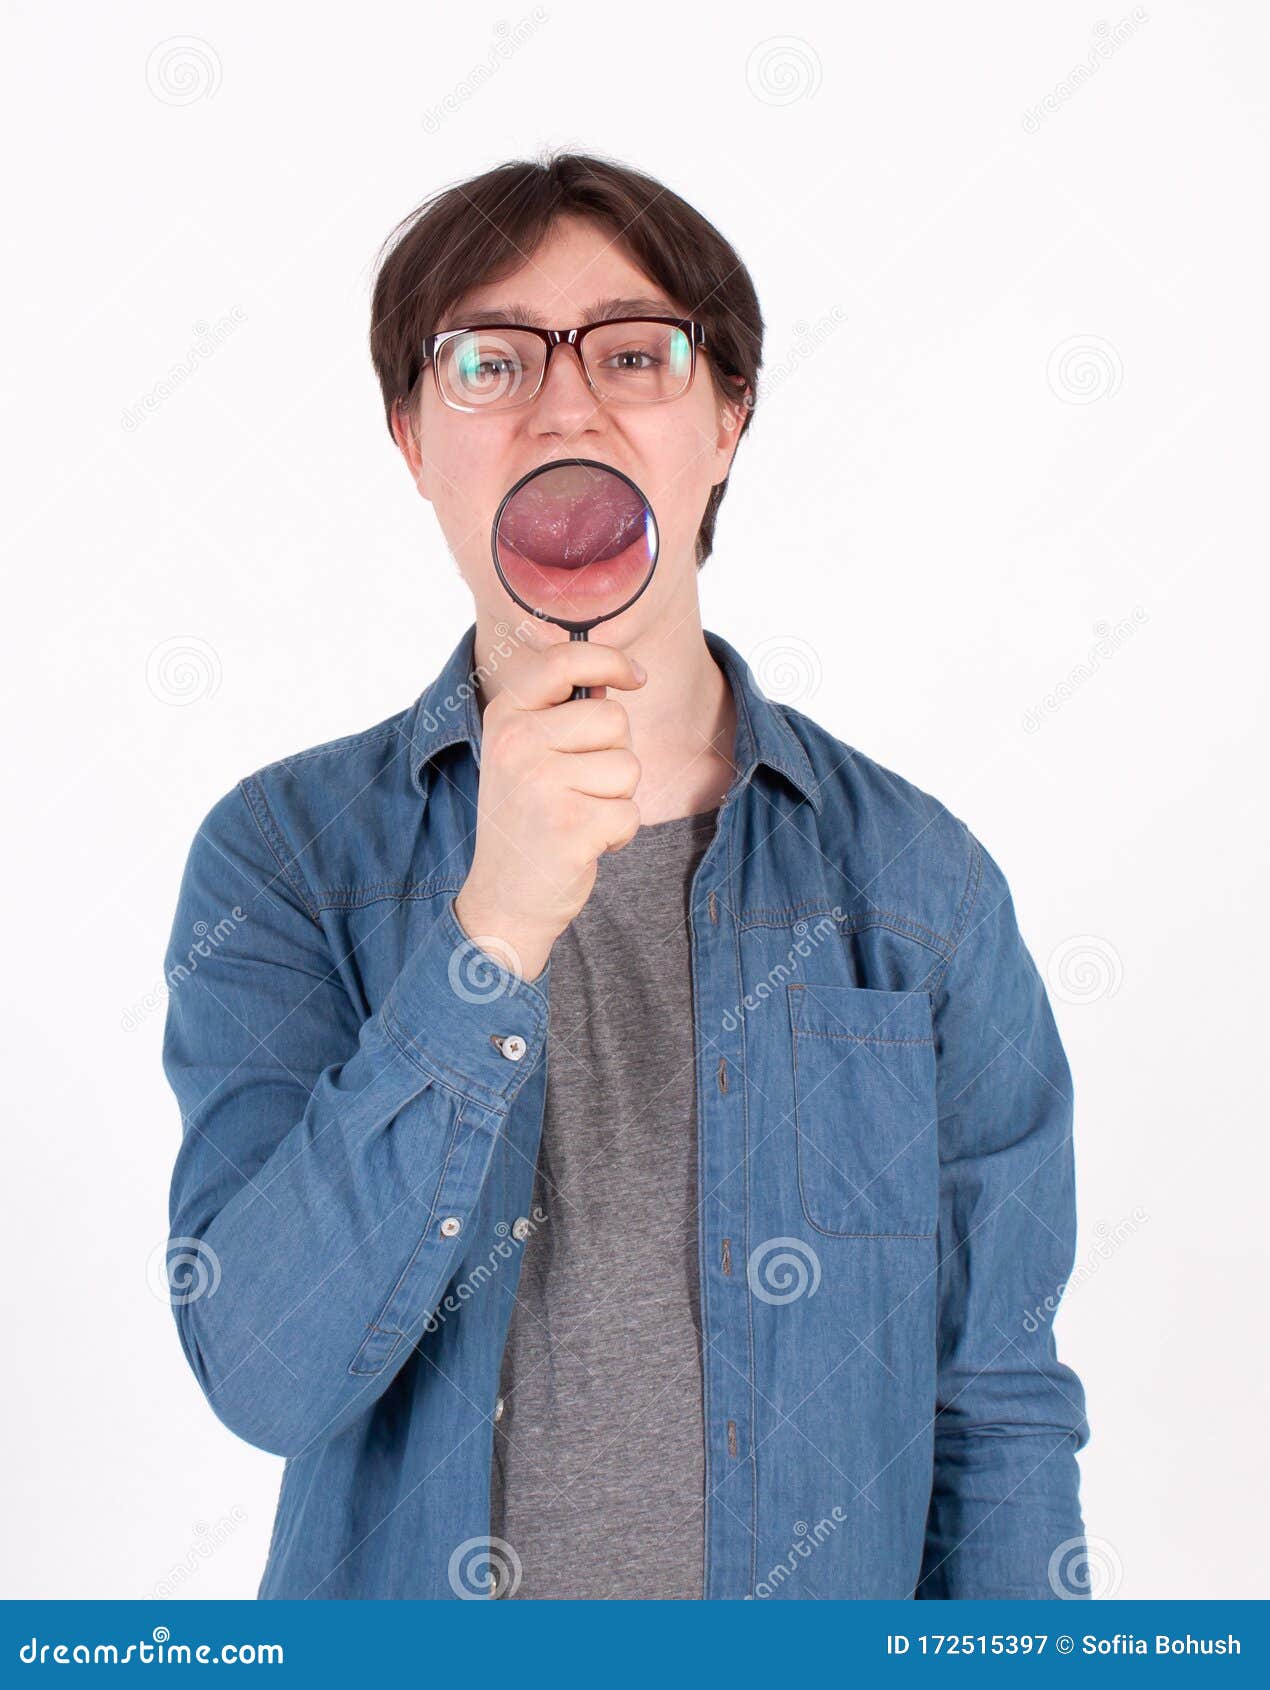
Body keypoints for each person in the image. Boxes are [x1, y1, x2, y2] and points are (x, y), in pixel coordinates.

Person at [160, 151, 1091, 1601]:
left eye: (634, 351)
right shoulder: (282, 860)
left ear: (726, 420)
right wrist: (495, 927)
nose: (565, 401)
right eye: (488, 359)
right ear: (410, 437)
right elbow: (265, 1373)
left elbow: (998, 1414)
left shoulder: (918, 890)